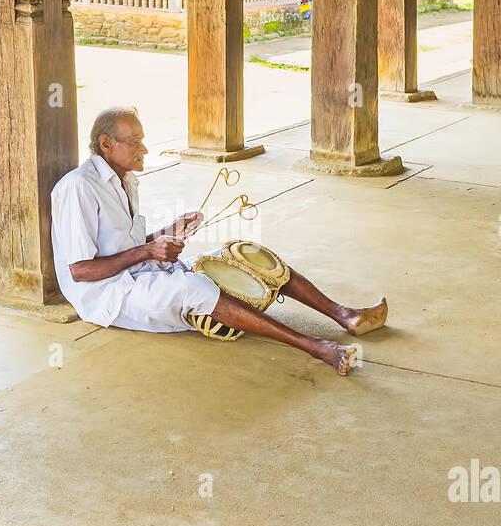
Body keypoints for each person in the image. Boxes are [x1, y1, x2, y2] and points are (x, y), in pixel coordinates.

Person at [50, 107, 389, 376]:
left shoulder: (125, 180)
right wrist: (149, 250)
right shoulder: (78, 187)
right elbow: (80, 270)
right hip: (110, 295)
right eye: (135, 142)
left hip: (142, 274)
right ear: (106, 144)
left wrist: (167, 232)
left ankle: (344, 314)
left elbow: (130, 246)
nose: (145, 149)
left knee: (248, 254)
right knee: (197, 288)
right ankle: (315, 347)